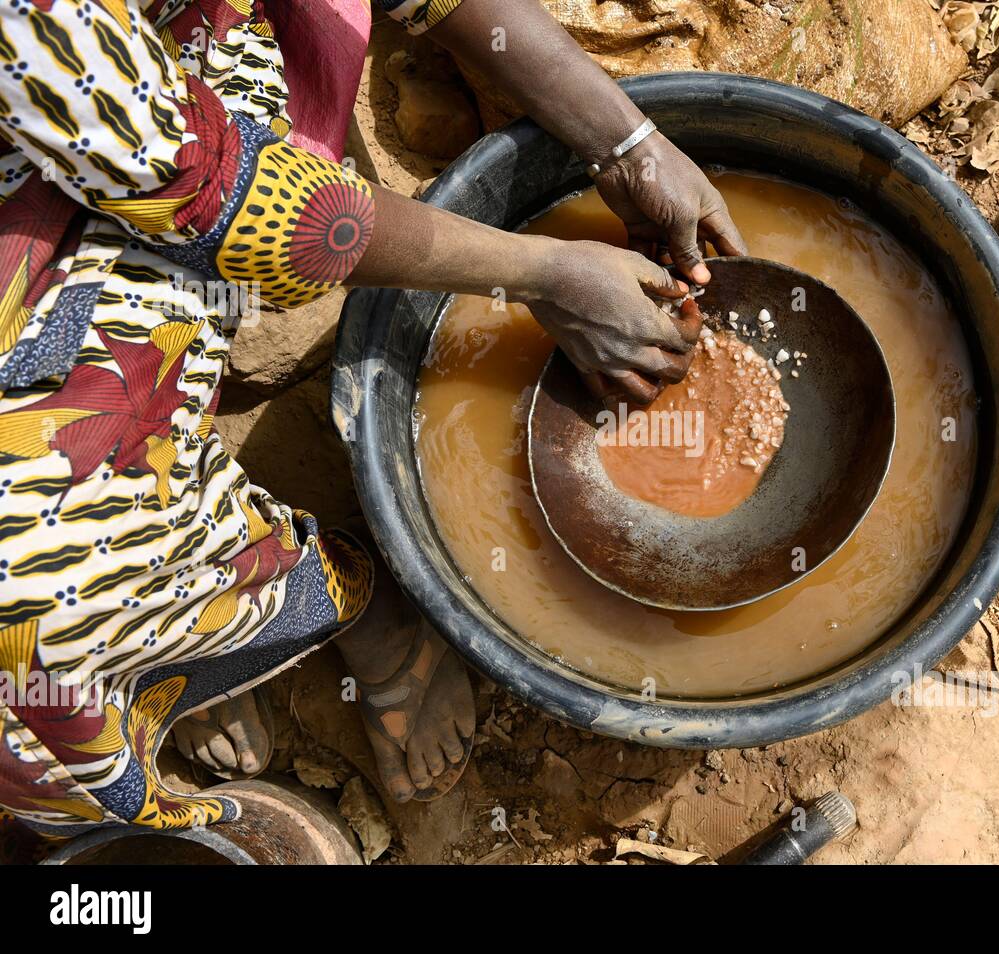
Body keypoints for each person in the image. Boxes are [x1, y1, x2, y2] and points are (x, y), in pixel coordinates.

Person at [0, 0, 745, 834]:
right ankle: (197, 634)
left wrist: (629, 143)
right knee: (30, 618)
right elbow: (230, 198)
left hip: (164, 77)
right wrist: (547, 277)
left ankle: (180, 623)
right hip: (117, 145)